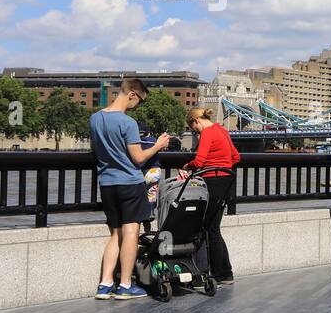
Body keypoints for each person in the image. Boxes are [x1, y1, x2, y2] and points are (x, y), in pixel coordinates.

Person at [90, 78, 169, 299]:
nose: (138, 106)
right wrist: (158, 145)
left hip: (107, 183)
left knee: (115, 234)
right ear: (132, 94)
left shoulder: (95, 119)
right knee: (131, 232)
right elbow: (138, 158)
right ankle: (125, 285)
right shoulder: (128, 123)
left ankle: (105, 285)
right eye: (141, 101)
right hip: (130, 183)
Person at [182, 107, 241, 285]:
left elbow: (199, 162)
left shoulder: (207, 133)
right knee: (215, 228)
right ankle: (226, 272)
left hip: (212, 183)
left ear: (196, 121)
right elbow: (236, 157)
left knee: (209, 229)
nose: (195, 131)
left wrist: (187, 166)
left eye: (193, 128)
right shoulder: (222, 130)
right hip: (226, 183)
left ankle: (213, 273)